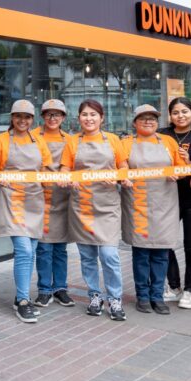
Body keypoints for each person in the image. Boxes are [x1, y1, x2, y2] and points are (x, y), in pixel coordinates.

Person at [60, 99, 130, 321]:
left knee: (109, 255)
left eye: (93, 115)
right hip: (82, 205)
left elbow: (124, 166)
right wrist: (68, 179)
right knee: (88, 256)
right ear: (78, 117)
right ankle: (94, 296)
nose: (88, 119)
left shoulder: (113, 140)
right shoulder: (72, 142)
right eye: (84, 115)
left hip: (107, 205)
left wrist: (120, 178)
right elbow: (64, 168)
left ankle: (115, 298)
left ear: (102, 118)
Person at [0, 100, 53, 323]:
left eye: (27, 117)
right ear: (11, 117)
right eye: (18, 116)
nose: (22, 121)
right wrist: (1, 180)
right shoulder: (0, 140)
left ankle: (21, 298)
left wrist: (58, 181)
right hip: (12, 200)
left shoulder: (39, 141)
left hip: (35, 200)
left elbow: (45, 168)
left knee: (32, 251)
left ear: (32, 120)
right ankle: (24, 302)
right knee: (24, 250)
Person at [122, 105, 185, 315]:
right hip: (137, 203)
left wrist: (177, 173)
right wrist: (124, 178)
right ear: (134, 123)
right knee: (140, 252)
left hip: (165, 203)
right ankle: (142, 296)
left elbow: (182, 169)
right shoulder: (126, 144)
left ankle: (157, 296)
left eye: (152, 119)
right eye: (143, 118)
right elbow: (120, 168)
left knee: (161, 252)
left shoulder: (168, 142)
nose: (148, 122)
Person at [32, 99, 75, 308]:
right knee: (43, 248)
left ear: (63, 118)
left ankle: (60, 288)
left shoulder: (70, 139)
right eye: (48, 114)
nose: (52, 118)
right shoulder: (32, 137)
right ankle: (44, 290)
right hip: (38, 196)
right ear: (42, 116)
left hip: (63, 197)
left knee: (60, 248)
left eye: (57, 114)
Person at [159, 97, 191, 309]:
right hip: (166, 197)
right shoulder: (162, 135)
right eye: (175, 112)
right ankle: (173, 286)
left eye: (184, 111)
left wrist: (188, 162)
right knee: (165, 242)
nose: (180, 116)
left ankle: (190, 290)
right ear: (170, 115)